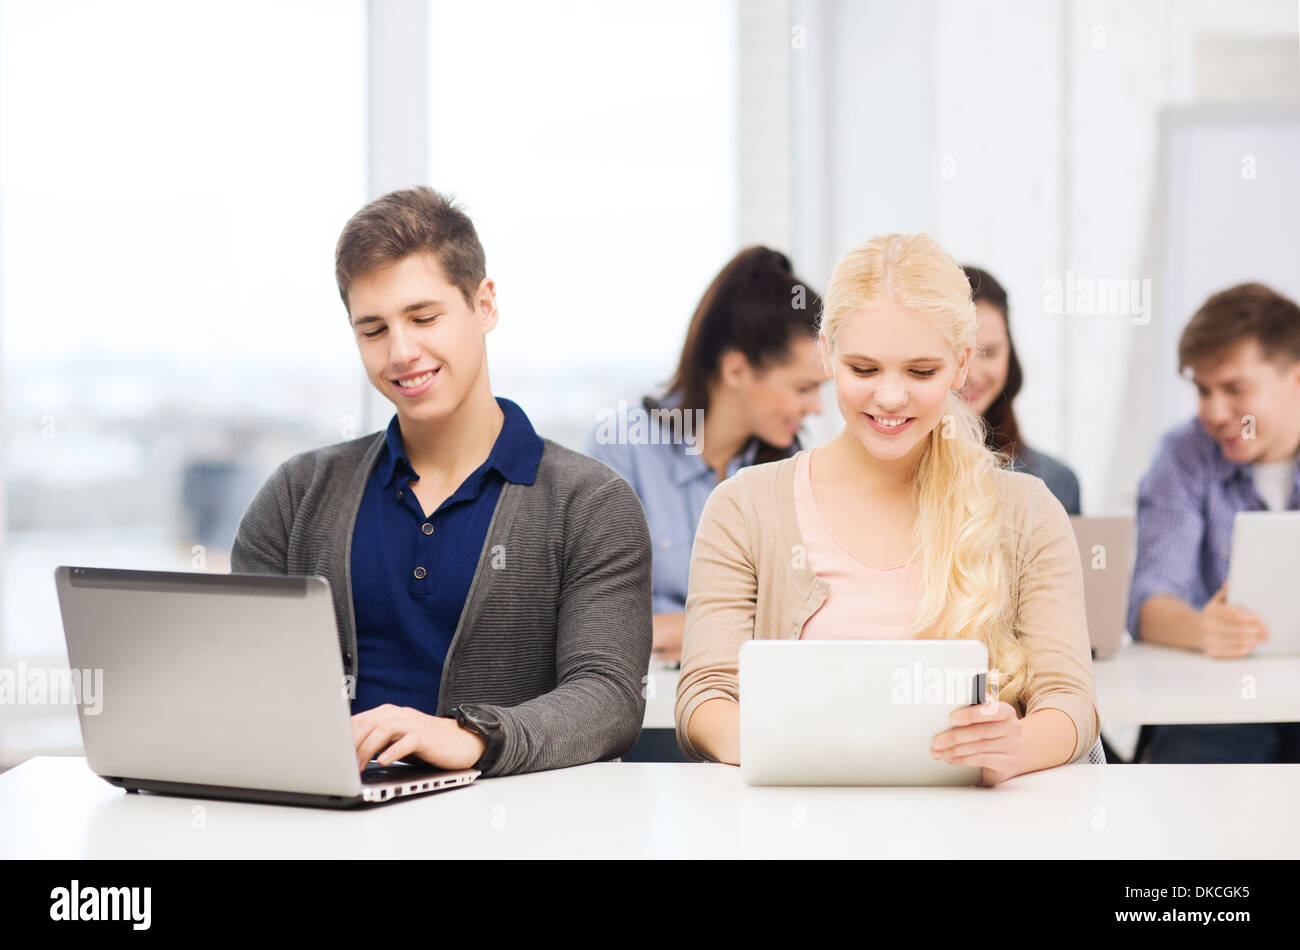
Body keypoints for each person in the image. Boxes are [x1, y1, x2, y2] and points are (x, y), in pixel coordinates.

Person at [231, 186, 653, 777]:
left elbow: (609, 698)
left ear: (484, 305)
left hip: (500, 826)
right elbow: (243, 681)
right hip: (324, 820)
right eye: (373, 330)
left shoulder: (589, 504)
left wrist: (472, 737)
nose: (402, 351)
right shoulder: (297, 494)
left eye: (424, 317)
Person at [675, 233, 1100, 785]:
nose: (891, 397)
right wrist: (799, 749)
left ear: (962, 364)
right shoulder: (744, 508)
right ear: (825, 353)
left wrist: (1014, 745)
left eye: (922, 372)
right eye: (864, 369)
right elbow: (704, 697)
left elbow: (1071, 702)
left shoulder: (1027, 512)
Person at [585, 246, 825, 664]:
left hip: (746, 700)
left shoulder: (790, 470)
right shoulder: (624, 448)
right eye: (804, 388)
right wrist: (725, 629)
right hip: (639, 704)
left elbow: (799, 620)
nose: (818, 407)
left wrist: (685, 628)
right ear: (735, 371)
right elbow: (598, 619)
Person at [1127, 282, 1300, 763]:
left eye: (1235, 389)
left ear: (1295, 380)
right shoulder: (1183, 456)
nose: (1214, 412)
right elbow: (1148, 603)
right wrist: (1204, 627)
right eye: (1203, 390)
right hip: (1219, 701)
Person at [959, 265, 1081, 514]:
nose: (971, 374)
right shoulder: (888, 475)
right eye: (957, 353)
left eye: (989, 352)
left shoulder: (1056, 482)